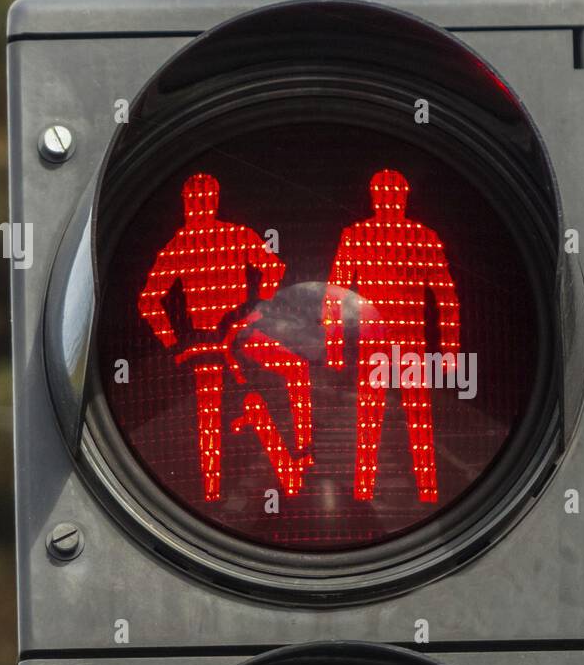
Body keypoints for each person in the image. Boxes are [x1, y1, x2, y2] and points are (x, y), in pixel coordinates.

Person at [139, 173, 312, 500]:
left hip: (235, 333)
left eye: (201, 200)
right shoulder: (191, 241)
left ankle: (300, 451)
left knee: (294, 371)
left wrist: (257, 307)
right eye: (195, 201)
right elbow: (148, 299)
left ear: (209, 202)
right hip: (213, 340)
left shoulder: (223, 236)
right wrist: (175, 342)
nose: (198, 207)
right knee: (211, 415)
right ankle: (213, 491)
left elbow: (273, 267)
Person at [322, 169, 460, 503]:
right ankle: (409, 491)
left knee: (394, 419)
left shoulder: (363, 235)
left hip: (389, 342)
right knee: (395, 419)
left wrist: (335, 347)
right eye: (385, 193)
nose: (388, 200)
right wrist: (335, 346)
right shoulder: (415, 236)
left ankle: (393, 491)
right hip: (393, 342)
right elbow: (335, 295)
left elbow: (445, 298)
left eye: (391, 193)